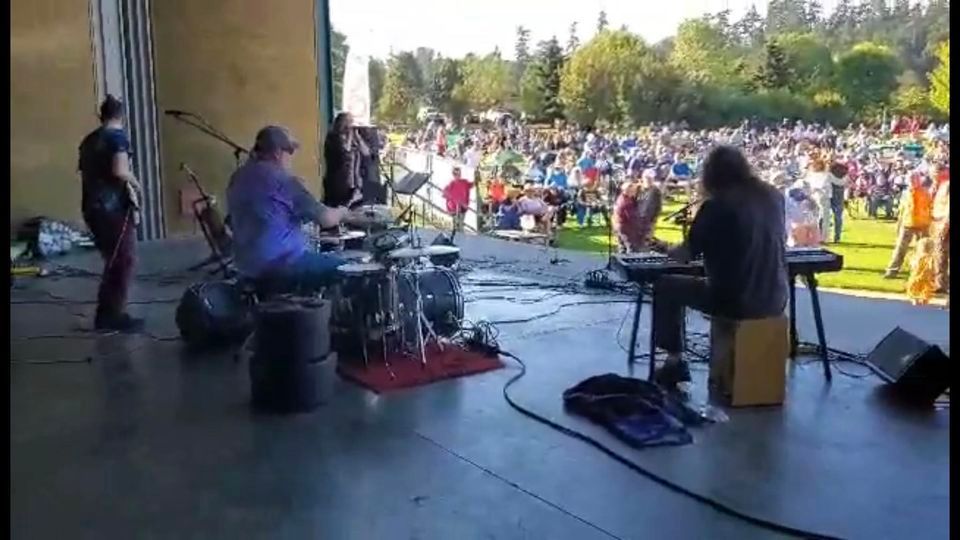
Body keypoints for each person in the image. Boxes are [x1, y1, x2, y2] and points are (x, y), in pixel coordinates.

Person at [652, 146, 788, 388]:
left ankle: (675, 362)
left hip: (735, 300)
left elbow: (685, 255)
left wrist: (662, 247)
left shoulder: (716, 206)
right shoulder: (773, 196)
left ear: (711, 175)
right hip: (776, 297)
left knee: (666, 286)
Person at [228, 126, 350, 292]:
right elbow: (326, 218)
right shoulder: (284, 180)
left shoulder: (237, 177)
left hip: (245, 266)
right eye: (290, 152)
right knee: (348, 269)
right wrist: (343, 212)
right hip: (281, 264)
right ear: (278, 153)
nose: (291, 158)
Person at [77, 95, 144, 331]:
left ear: (101, 115)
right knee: (124, 260)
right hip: (112, 208)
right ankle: (112, 315)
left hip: (91, 207)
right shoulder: (117, 138)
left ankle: (106, 312)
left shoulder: (88, 140)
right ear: (121, 116)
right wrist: (137, 185)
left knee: (113, 260)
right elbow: (120, 171)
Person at [885, 174, 933, 278]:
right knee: (900, 248)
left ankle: (923, 271)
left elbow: (931, 207)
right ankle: (892, 270)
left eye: (915, 179)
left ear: (919, 180)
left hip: (922, 224)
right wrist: (899, 225)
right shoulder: (905, 193)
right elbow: (902, 210)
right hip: (907, 224)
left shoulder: (926, 193)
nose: (913, 181)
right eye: (911, 179)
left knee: (924, 249)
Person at [322, 112, 369, 208]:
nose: (351, 125)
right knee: (339, 209)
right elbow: (344, 153)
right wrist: (350, 135)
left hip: (354, 183)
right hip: (338, 183)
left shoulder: (352, 139)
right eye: (349, 122)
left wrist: (358, 137)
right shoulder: (333, 138)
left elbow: (366, 152)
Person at [931, 178, 950, 294]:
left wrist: (945, 224)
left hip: (944, 223)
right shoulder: (941, 185)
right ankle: (940, 283)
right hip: (939, 222)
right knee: (940, 255)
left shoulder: (946, 186)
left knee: (941, 253)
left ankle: (941, 284)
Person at [443, 166, 473, 239]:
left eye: (459, 174)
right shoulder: (451, 184)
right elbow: (446, 193)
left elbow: (470, 185)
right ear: (453, 175)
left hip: (463, 206)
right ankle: (458, 236)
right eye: (456, 174)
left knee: (460, 222)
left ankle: (460, 236)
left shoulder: (464, 182)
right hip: (454, 207)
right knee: (457, 223)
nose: (458, 176)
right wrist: (450, 206)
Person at [905, 238, 938, 305]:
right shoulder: (930, 258)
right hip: (926, 279)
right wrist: (933, 274)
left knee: (914, 292)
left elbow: (911, 266)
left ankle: (915, 302)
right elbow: (931, 268)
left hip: (915, 278)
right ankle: (924, 302)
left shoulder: (915, 257)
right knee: (926, 293)